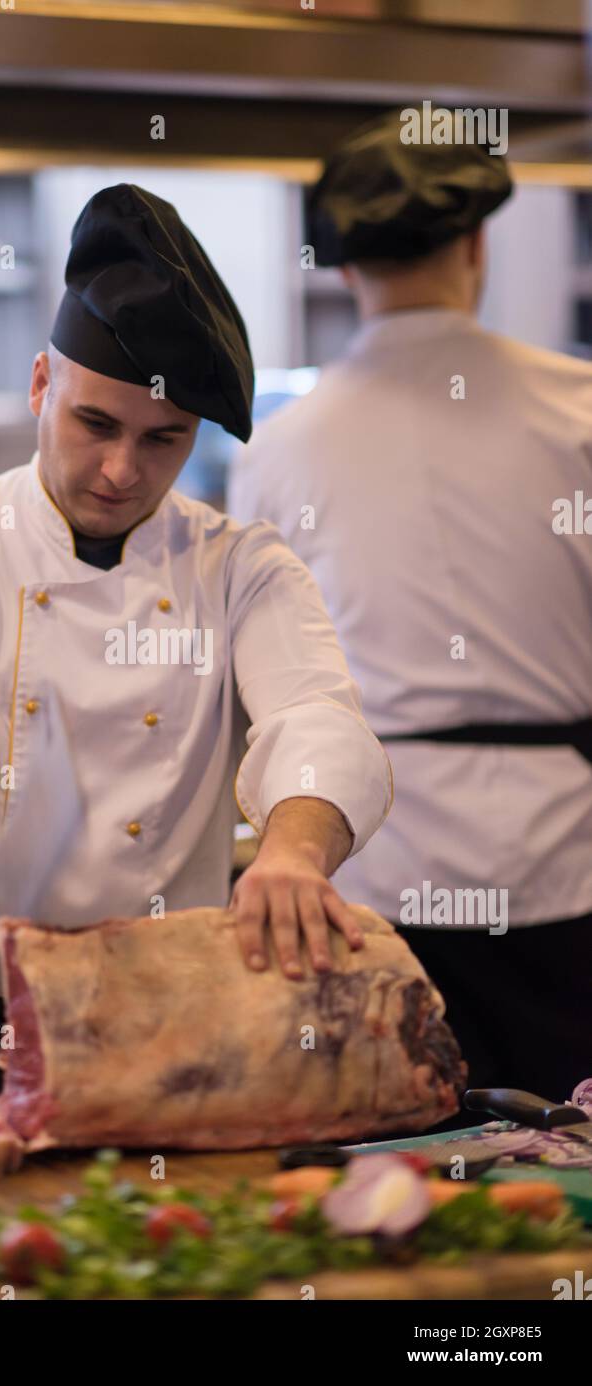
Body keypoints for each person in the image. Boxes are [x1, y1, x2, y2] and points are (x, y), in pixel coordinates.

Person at [0, 183, 392, 1125]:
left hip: (156, 1025)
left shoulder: (239, 567)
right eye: (95, 424)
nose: (121, 470)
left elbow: (315, 717)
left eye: (162, 440)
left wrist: (295, 853)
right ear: (40, 386)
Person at [229, 114, 592, 1107]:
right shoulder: (579, 410)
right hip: (562, 860)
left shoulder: (276, 449)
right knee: (569, 1153)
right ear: (476, 246)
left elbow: (266, 682)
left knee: (403, 1154)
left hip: (373, 870)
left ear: (345, 267)